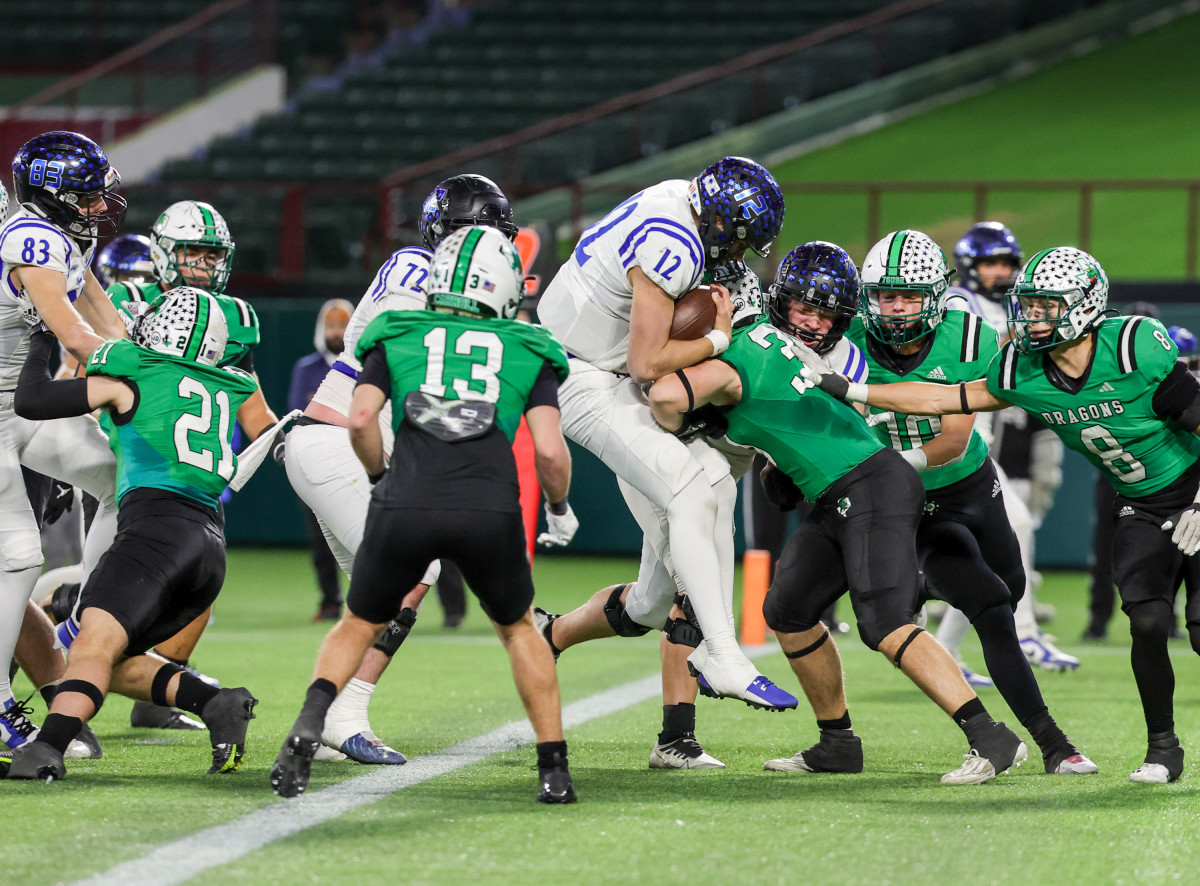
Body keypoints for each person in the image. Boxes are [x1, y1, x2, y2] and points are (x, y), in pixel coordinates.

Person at [807, 246, 1200, 783]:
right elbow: (946, 398)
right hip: (1137, 503)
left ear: (1084, 306)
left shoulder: (1133, 348)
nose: (1032, 317)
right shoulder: (1022, 369)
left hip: (1193, 489)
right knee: (1150, 621)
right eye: (1029, 305)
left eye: (1047, 307)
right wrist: (854, 389)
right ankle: (1163, 750)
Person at [646, 240, 1028, 785]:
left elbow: (664, 396)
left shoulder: (735, 355)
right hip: (839, 491)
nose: (811, 320)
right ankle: (838, 743)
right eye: (803, 307)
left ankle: (991, 736)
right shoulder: (778, 347)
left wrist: (694, 355)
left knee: (885, 623)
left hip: (870, 486)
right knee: (789, 609)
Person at [271, 225, 578, 803]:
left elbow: (361, 419)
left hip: (405, 498)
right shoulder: (527, 343)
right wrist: (559, 507)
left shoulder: (398, 329)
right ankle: (554, 768)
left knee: (357, 618)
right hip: (488, 507)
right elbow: (550, 451)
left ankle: (311, 725)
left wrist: (382, 480)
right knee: (518, 631)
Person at [534, 244, 867, 770]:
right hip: (669, 452)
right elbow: (660, 388)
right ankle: (676, 737)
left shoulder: (846, 359)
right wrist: (705, 381)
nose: (814, 321)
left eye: (827, 312)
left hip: (722, 462)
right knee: (695, 584)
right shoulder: (730, 327)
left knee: (648, 602)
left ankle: (550, 634)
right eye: (805, 306)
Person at [536, 155, 798, 715]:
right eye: (738, 242)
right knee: (691, 492)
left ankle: (549, 634)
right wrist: (718, 339)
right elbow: (646, 362)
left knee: (665, 583)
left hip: (603, 367)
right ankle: (722, 654)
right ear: (722, 223)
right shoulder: (674, 238)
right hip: (582, 373)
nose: (734, 257)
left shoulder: (683, 199)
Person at [846, 229, 1094, 775]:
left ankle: (928, 584)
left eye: (909, 294)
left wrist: (886, 467)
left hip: (965, 481)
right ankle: (1053, 744)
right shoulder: (849, 341)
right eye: (886, 294)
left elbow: (954, 439)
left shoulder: (967, 337)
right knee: (991, 610)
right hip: (903, 501)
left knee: (1011, 585)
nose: (896, 306)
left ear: (937, 295)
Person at [4, 287, 259, 780]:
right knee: (115, 663)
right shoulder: (227, 381)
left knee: (89, 650)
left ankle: (46, 750)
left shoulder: (135, 367)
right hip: (209, 547)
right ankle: (216, 703)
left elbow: (32, 401)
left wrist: (39, 336)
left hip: (154, 535)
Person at [83, 198, 281, 731]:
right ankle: (64, 701)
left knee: (194, 588)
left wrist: (274, 454)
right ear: (164, 252)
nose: (202, 264)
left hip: (183, 469)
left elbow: (258, 413)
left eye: (212, 254)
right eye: (192, 251)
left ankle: (157, 694)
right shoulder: (127, 298)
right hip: (116, 450)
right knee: (98, 590)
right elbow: (84, 370)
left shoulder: (231, 317)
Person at [0, 131, 127, 750]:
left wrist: (156, 364)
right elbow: (73, 331)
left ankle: (84, 618)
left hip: (19, 410)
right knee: (20, 553)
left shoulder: (64, 239)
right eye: (85, 197)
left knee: (119, 478)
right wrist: (128, 378)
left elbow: (106, 318)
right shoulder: (32, 235)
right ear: (49, 195)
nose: (99, 207)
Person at [941, 221, 1076, 677]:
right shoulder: (960, 301)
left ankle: (945, 653)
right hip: (948, 438)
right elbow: (980, 352)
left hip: (978, 443)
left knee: (982, 551)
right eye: (990, 262)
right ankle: (1024, 634)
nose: (1000, 272)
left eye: (1006, 263)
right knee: (1013, 525)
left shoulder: (1010, 308)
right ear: (968, 265)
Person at [287, 298, 353, 622]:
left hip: (357, 462)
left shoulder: (367, 364)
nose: (337, 331)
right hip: (316, 463)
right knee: (321, 542)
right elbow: (295, 415)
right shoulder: (307, 368)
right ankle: (329, 601)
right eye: (331, 324)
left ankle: (364, 605)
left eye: (343, 324)